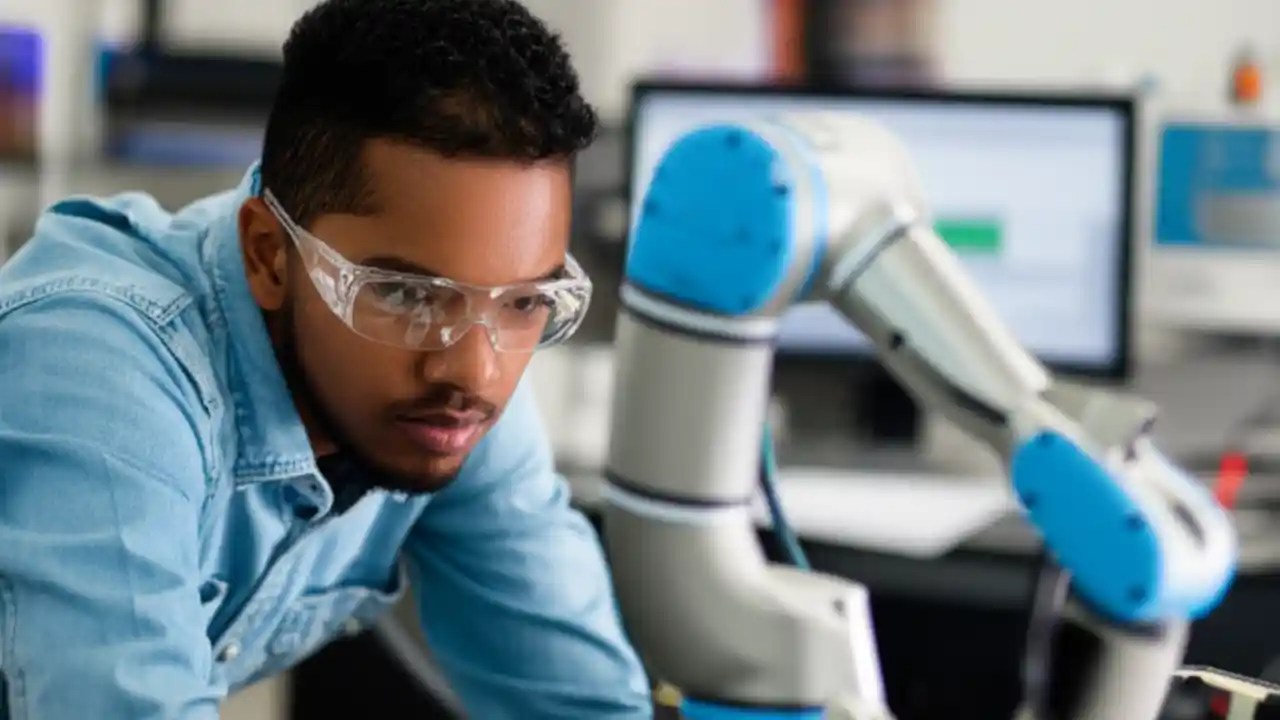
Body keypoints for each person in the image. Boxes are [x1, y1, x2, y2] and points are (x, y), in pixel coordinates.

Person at [0, 1, 653, 718]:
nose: (475, 373)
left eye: (524, 302)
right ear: (267, 256)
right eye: (407, 295)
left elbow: (583, 706)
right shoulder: (101, 371)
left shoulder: (452, 393)